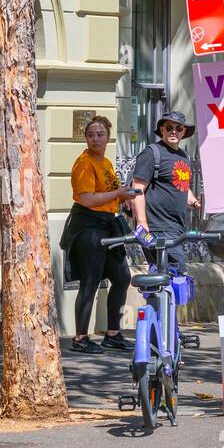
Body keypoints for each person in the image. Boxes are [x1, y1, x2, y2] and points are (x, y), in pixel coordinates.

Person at [61, 116, 134, 354]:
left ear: (107, 137)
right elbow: (87, 198)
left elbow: (109, 193)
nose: (95, 139)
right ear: (86, 138)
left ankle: (113, 334)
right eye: (91, 134)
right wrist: (117, 194)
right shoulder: (83, 163)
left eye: (100, 134)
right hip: (88, 226)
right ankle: (81, 338)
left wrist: (124, 197)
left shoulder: (106, 163)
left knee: (122, 277)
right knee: (89, 282)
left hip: (108, 224)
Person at [129, 110, 201, 271]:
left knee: (163, 276)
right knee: (177, 272)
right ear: (162, 130)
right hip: (156, 227)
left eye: (178, 128)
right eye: (169, 127)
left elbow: (182, 186)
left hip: (176, 228)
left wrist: (195, 201)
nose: (174, 131)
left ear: (184, 132)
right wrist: (142, 224)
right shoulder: (152, 153)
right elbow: (137, 190)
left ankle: (157, 295)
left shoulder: (184, 156)